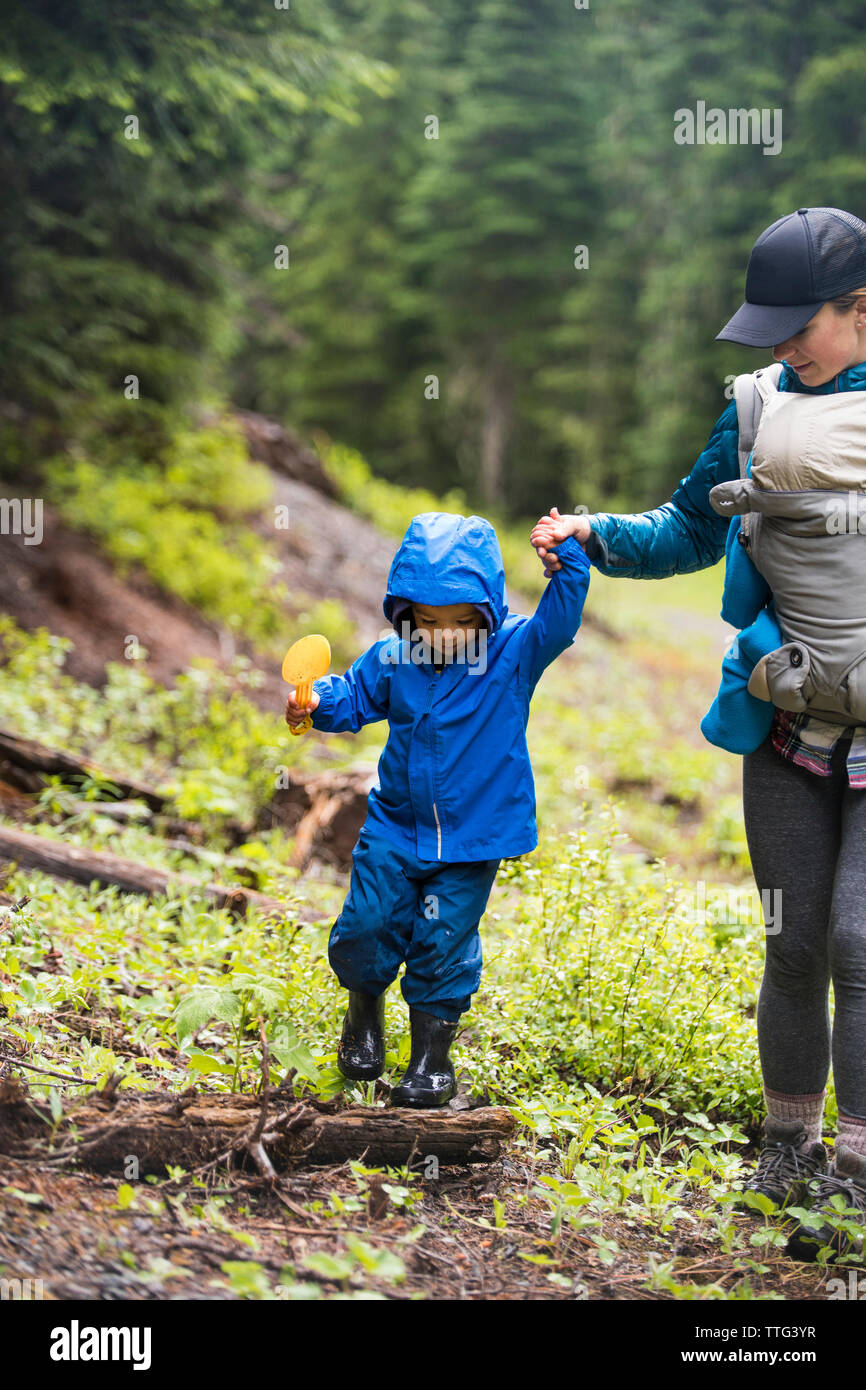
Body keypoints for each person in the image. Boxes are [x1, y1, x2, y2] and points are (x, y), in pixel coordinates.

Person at [535, 207, 866, 1261]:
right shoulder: (755, 405)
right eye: (762, 320)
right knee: (791, 939)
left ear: (858, 308)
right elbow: (687, 526)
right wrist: (596, 531)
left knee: (860, 945)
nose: (776, 340)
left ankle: (853, 1174)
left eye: (796, 321)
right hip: (785, 718)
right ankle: (786, 1150)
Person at [285, 508, 590, 1107]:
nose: (442, 634)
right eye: (426, 621)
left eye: (459, 621)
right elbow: (352, 697)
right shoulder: (394, 657)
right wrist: (314, 700)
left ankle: (430, 1059)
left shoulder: (513, 653)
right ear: (405, 614)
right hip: (396, 825)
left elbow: (563, 616)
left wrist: (567, 556)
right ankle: (363, 1012)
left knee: (443, 940)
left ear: (486, 612)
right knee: (368, 922)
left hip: (473, 839)